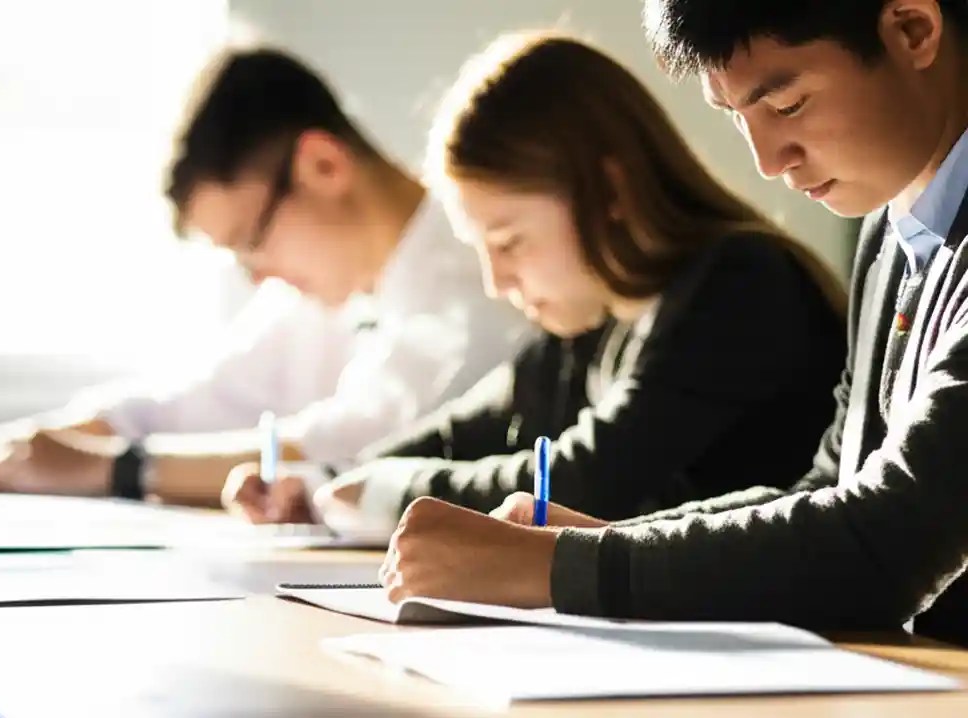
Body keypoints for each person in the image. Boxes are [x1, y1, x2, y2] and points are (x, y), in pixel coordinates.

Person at [383, 0, 968, 648]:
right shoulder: (891, 233)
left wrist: (554, 567)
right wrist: (596, 545)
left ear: (913, 30)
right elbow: (832, 486)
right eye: (738, 117)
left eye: (788, 105)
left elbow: (887, 540)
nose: (768, 161)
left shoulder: (747, 277)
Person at [222, 31, 846, 529]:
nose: (496, 281)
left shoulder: (740, 284)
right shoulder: (599, 320)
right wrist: (324, 485)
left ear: (606, 191)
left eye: (510, 242)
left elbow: (582, 482)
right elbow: (462, 434)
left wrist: (376, 491)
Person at [0, 47, 530, 504]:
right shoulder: (328, 293)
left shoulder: (477, 287)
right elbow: (188, 402)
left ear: (322, 165)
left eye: (252, 243)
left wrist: (112, 471)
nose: (259, 278)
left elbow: (345, 452)